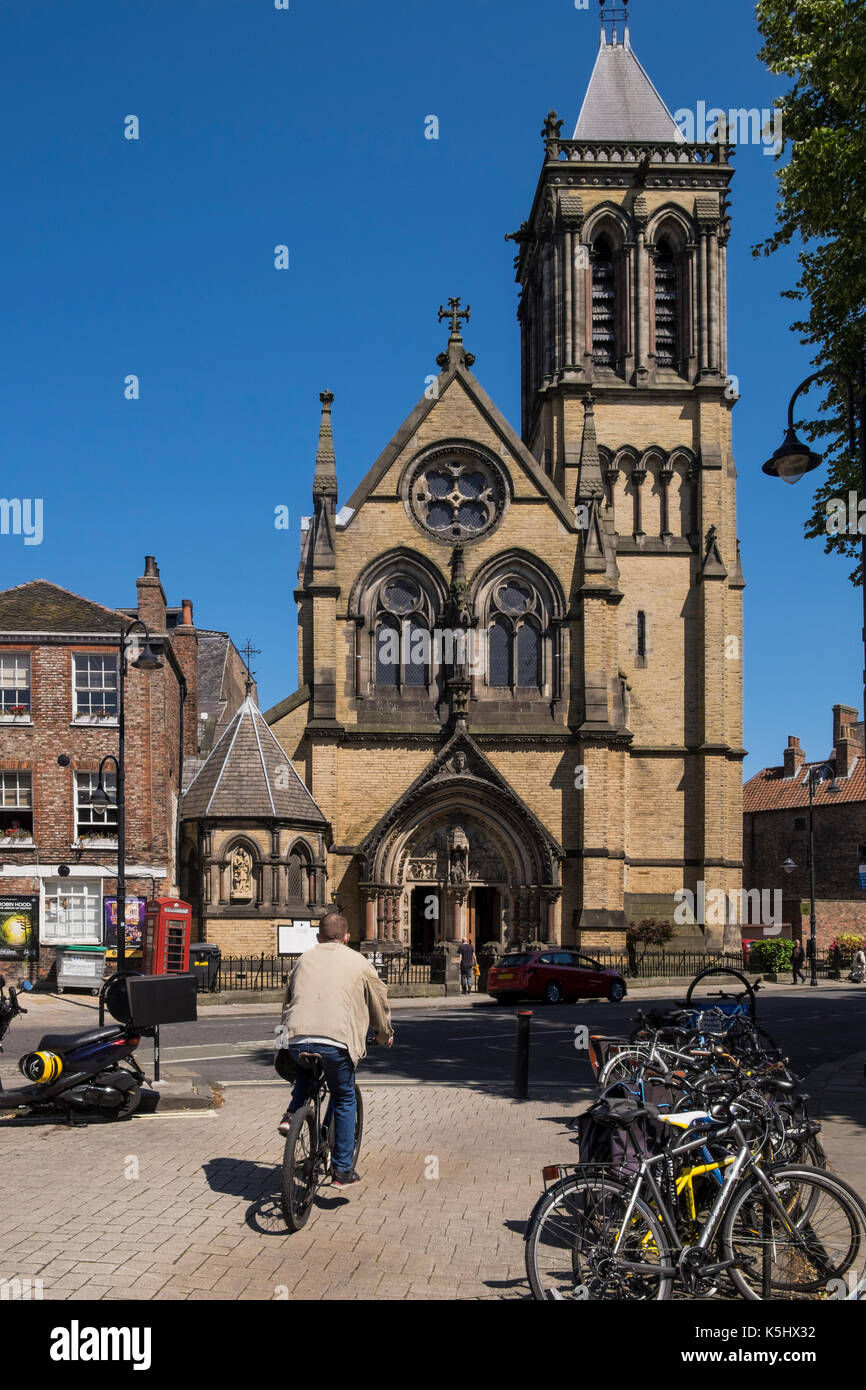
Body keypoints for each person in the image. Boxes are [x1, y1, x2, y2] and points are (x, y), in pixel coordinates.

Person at [276, 913, 393, 1188]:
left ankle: (292, 1114)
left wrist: (282, 1042)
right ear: (347, 938)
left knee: (307, 1068)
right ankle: (342, 1170)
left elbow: (288, 1000)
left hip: (296, 1038)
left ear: (318, 937)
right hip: (336, 1043)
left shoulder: (304, 959)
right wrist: (384, 1034)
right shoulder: (359, 962)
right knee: (344, 1097)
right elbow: (378, 1003)